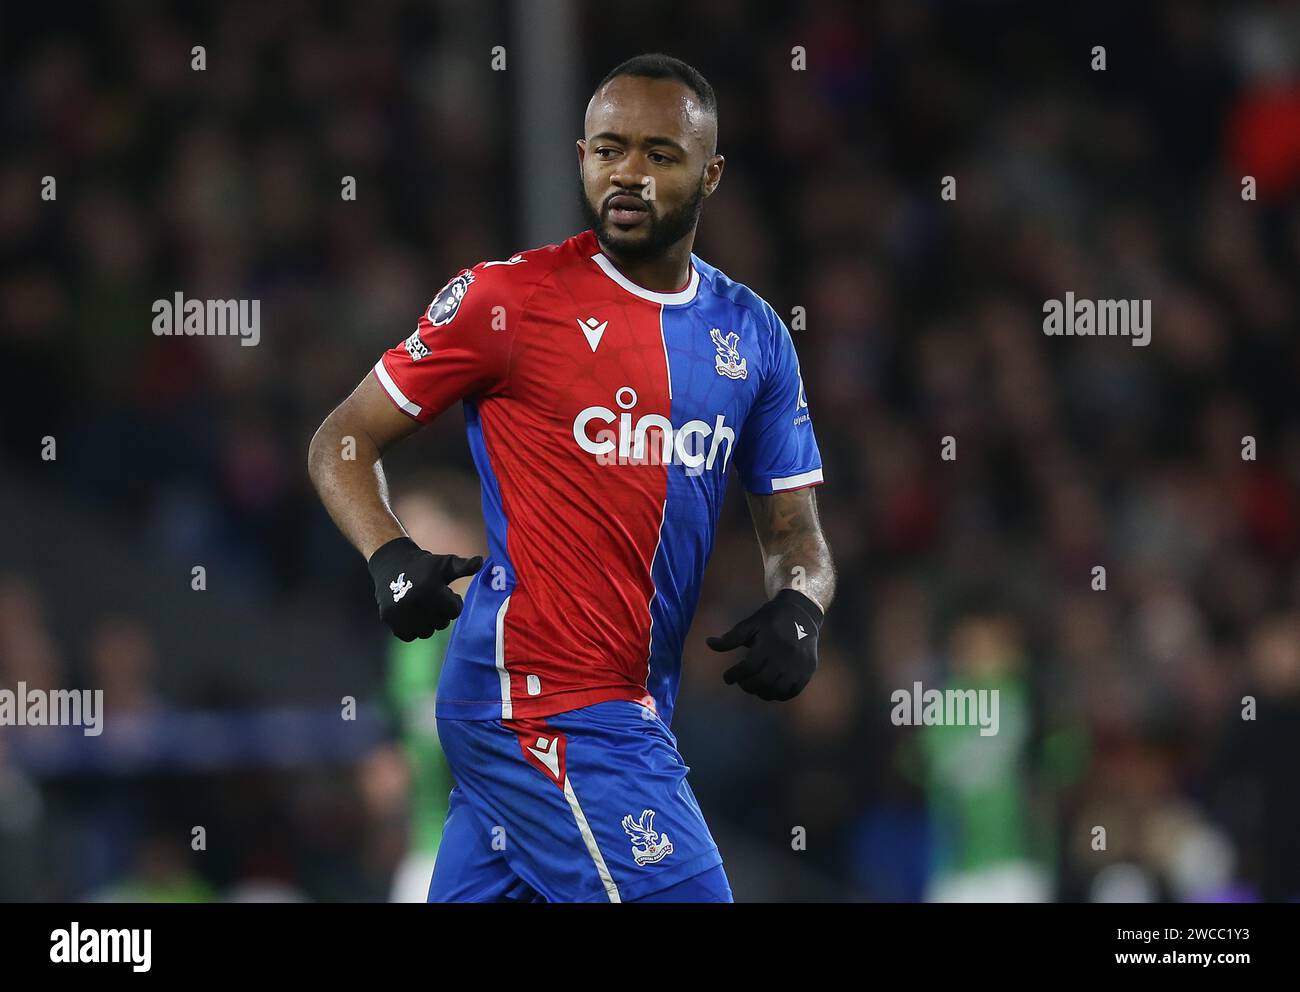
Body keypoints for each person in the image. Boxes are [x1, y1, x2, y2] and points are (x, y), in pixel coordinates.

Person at [308, 53, 835, 903]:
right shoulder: (506, 301)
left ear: (711, 173)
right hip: (544, 704)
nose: (628, 172)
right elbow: (341, 439)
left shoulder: (756, 338)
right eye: (608, 149)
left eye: (660, 155)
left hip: (631, 704)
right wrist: (387, 552)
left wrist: (802, 605)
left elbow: (794, 532)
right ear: (581, 156)